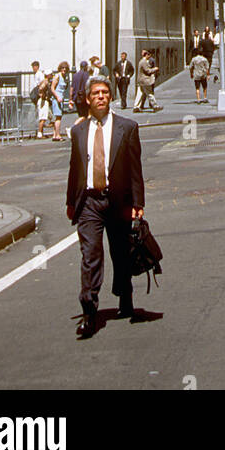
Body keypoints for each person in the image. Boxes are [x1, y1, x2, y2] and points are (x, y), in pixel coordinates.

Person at [66, 76, 145, 338]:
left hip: (117, 200)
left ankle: (125, 295)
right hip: (89, 202)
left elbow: (135, 170)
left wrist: (137, 203)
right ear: (88, 99)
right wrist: (71, 202)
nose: (101, 96)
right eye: (96, 93)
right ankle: (89, 312)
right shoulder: (78, 131)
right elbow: (75, 169)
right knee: (91, 256)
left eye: (105, 92)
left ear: (110, 97)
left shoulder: (128, 127)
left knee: (120, 253)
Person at [51, 61, 70, 139]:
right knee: (58, 117)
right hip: (57, 99)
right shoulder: (57, 76)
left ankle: (55, 134)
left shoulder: (64, 77)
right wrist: (57, 97)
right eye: (62, 68)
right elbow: (52, 88)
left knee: (58, 117)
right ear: (60, 68)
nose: (64, 69)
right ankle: (57, 135)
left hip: (60, 99)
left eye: (65, 68)